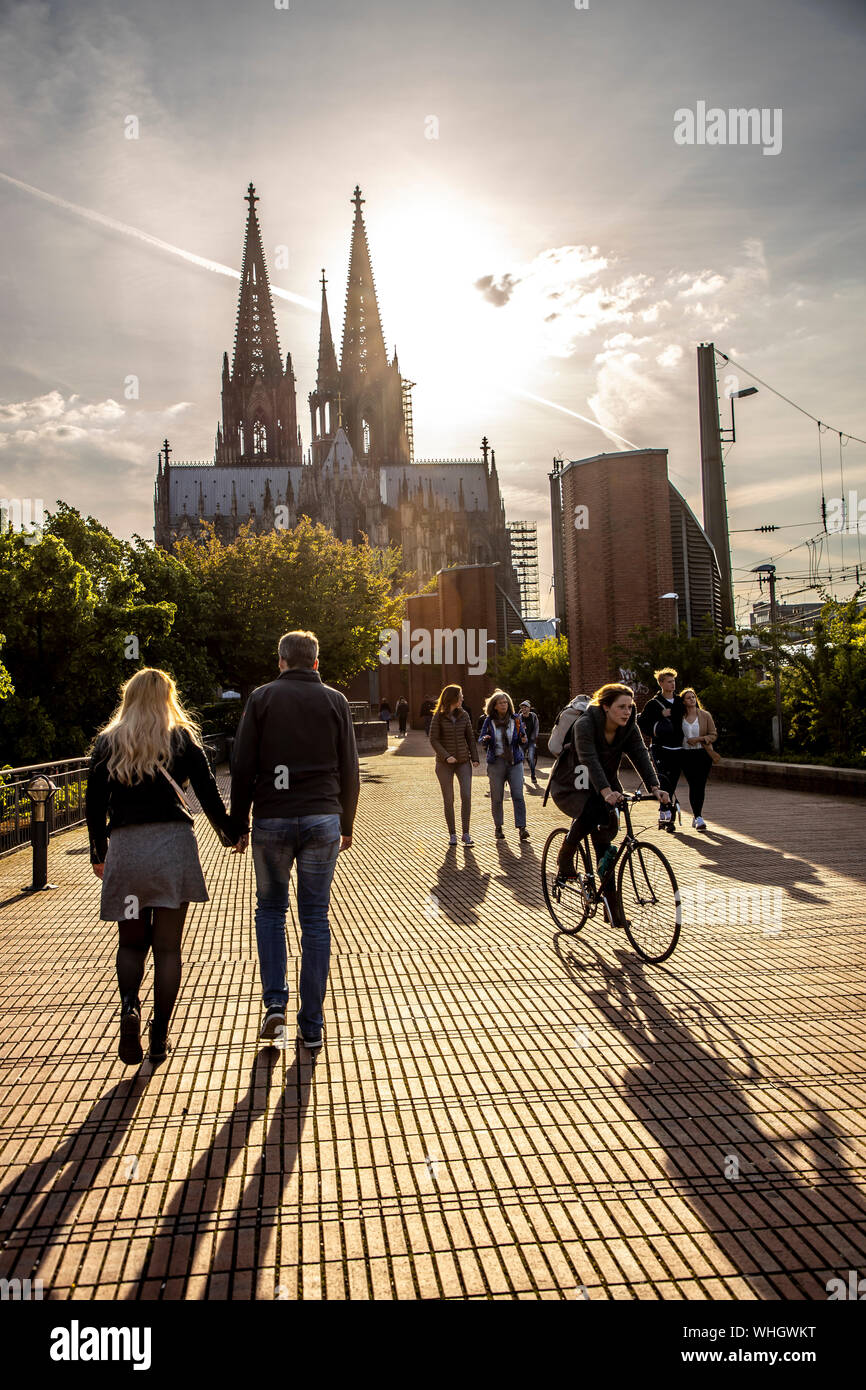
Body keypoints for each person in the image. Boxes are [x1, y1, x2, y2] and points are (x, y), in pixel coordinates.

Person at [86, 668, 246, 1066]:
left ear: (130, 697)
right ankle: (159, 1036)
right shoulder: (182, 738)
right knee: (168, 948)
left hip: (127, 854)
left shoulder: (108, 743)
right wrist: (231, 832)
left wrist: (99, 851)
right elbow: (208, 794)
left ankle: (128, 1007)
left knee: (131, 943)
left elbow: (93, 803)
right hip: (172, 851)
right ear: (168, 697)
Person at [229, 630, 360, 1051]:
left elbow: (243, 763)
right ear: (316, 662)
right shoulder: (336, 701)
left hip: (272, 818)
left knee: (270, 910)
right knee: (316, 918)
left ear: (281, 660)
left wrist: (238, 825)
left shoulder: (262, 698)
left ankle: (274, 1004)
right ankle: (312, 1023)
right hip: (323, 817)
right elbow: (350, 767)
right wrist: (347, 823)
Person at [547, 682, 670, 927]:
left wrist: (655, 787)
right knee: (593, 812)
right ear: (605, 707)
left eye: (630, 706)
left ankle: (613, 909)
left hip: (605, 785)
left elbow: (640, 754)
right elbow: (588, 759)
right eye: (621, 707)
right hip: (574, 783)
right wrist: (606, 791)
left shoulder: (629, 726)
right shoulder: (585, 724)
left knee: (605, 845)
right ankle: (565, 854)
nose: (627, 711)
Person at [428, 684, 480, 845]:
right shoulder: (438, 716)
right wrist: (446, 756)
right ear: (453, 698)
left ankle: (466, 833)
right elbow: (433, 739)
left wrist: (475, 757)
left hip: (463, 762)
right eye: (460, 695)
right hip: (444, 764)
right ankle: (452, 834)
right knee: (449, 799)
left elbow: (470, 738)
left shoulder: (464, 715)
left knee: (466, 795)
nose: (463, 698)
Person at [637, 667, 685, 832]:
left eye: (674, 681)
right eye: (669, 681)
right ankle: (666, 814)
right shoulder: (653, 704)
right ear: (661, 683)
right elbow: (642, 722)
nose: (673, 684)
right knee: (663, 779)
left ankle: (666, 810)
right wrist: (659, 717)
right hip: (660, 748)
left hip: (678, 747)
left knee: (672, 781)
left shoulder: (680, 702)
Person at [478, 691, 530, 841]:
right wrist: (486, 739)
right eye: (501, 703)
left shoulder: (516, 719)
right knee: (497, 797)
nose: (504, 705)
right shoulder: (489, 721)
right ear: (494, 706)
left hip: (515, 761)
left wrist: (523, 738)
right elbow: (481, 737)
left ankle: (522, 828)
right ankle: (498, 827)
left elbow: (522, 737)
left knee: (518, 795)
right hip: (497, 762)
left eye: (506, 702)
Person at [679, 687, 717, 831]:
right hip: (686, 755)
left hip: (702, 754)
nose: (692, 700)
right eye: (688, 698)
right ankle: (697, 815)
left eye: (693, 697)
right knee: (693, 784)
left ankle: (698, 816)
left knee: (699, 785)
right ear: (683, 701)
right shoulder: (680, 717)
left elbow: (713, 734)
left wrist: (700, 739)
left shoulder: (705, 715)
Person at [518, 699, 540, 786]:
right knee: (521, 759)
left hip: (531, 740)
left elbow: (536, 727)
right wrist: (520, 737)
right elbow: (517, 728)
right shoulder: (519, 717)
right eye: (522, 707)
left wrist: (534, 738)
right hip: (522, 741)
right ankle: (521, 776)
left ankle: (533, 775)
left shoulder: (533, 716)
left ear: (529, 708)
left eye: (525, 707)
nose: (524, 709)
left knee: (531, 758)